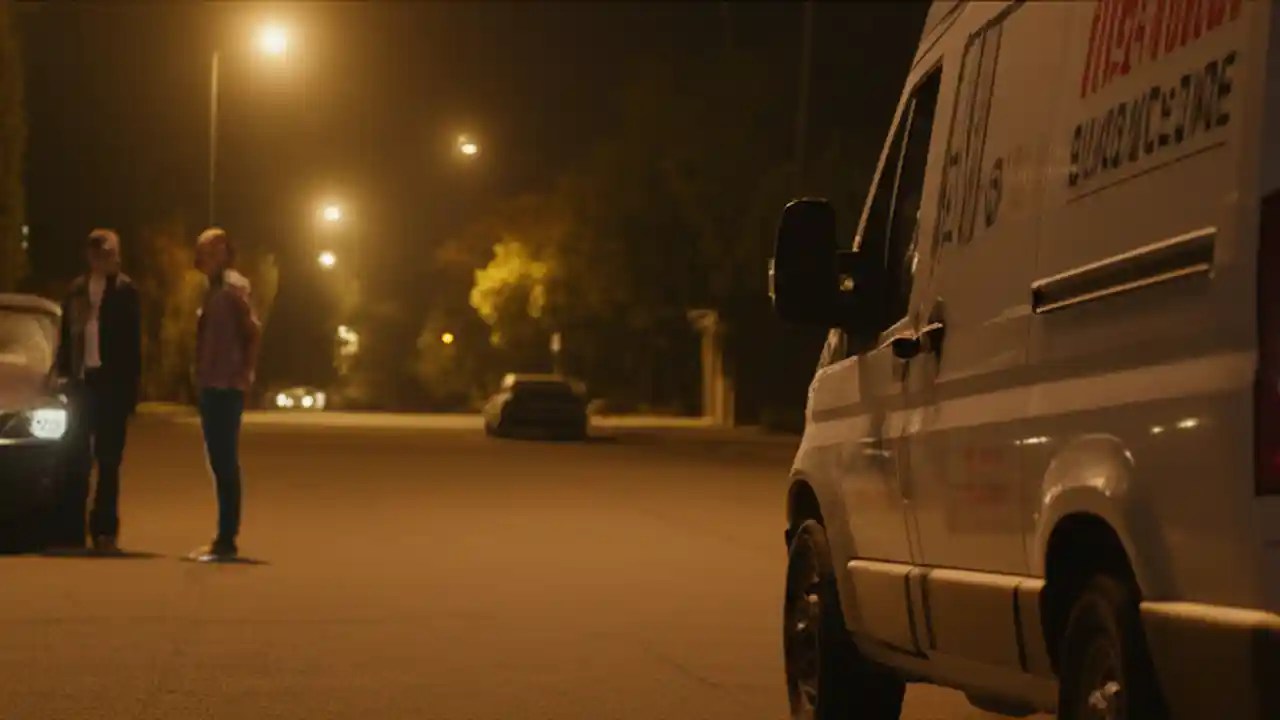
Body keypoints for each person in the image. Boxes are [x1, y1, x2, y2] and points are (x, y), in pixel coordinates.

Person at [54, 229, 141, 553]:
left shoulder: (125, 292)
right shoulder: (77, 290)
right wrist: (63, 375)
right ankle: (71, 532)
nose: (100, 259)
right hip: (81, 383)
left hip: (111, 386)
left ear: (115, 255)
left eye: (106, 253)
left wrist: (131, 392)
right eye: (95, 253)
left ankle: (105, 532)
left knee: (108, 461)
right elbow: (66, 336)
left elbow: (132, 346)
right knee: (75, 459)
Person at [192, 228, 261, 561]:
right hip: (210, 383)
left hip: (227, 384)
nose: (209, 256)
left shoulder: (233, 288)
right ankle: (223, 535)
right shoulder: (211, 289)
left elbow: (252, 332)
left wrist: (245, 373)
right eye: (205, 251)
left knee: (225, 460)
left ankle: (227, 538)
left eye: (215, 250)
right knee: (218, 460)